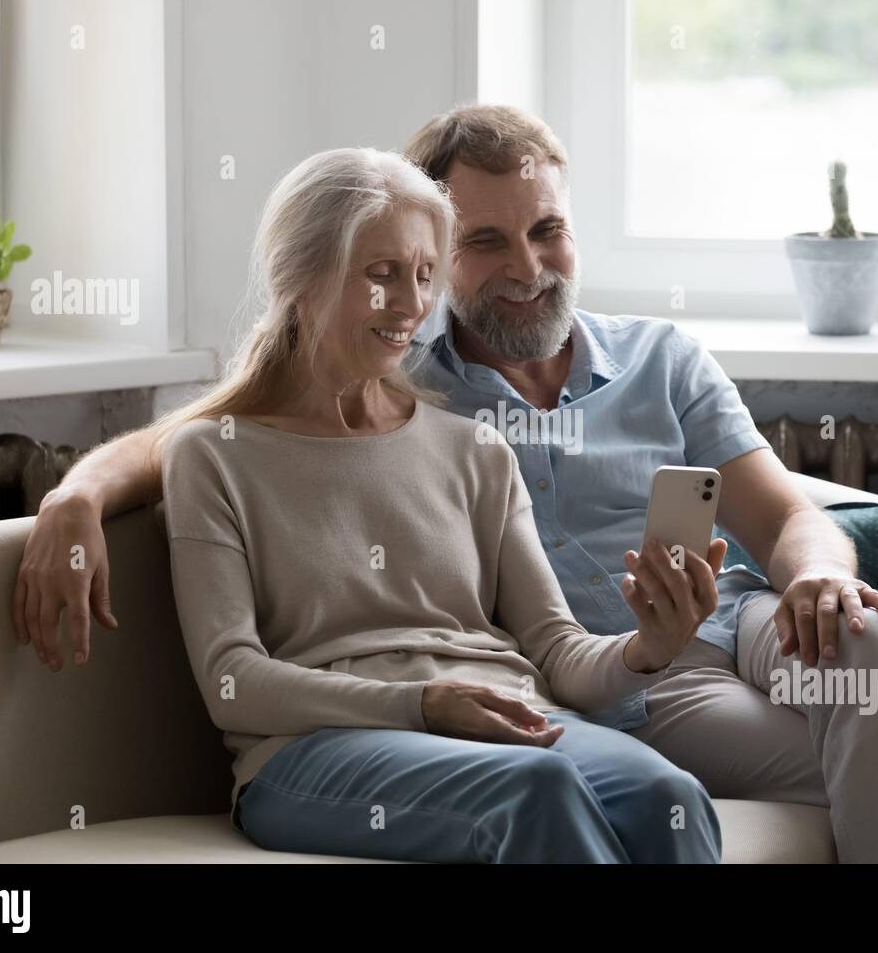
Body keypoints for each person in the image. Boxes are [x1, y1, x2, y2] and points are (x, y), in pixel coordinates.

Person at [15, 105, 878, 863]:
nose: (525, 268)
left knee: (866, 645)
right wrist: (77, 492)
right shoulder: (410, 376)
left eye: (545, 231)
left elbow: (780, 518)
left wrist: (805, 581)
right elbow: (216, 435)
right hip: (620, 693)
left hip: (698, 634)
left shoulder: (601, 378)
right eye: (480, 244)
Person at [147, 146, 722, 863]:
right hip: (316, 752)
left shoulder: (474, 450)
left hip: (508, 720)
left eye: (424, 275)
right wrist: (421, 705)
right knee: (534, 789)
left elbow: (558, 651)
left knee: (670, 797)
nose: (411, 304)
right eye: (381, 274)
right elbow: (233, 682)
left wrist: (649, 648)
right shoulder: (215, 454)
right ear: (301, 276)